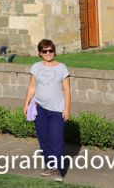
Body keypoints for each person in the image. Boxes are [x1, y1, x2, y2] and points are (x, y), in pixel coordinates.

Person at [24, 38, 71, 182]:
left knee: (56, 139)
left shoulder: (62, 67)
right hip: (39, 108)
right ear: (40, 53)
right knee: (43, 139)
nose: (48, 53)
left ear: (54, 51)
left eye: (51, 50)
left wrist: (67, 108)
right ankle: (49, 165)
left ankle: (57, 170)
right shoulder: (36, 67)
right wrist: (26, 104)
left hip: (57, 109)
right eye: (45, 51)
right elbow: (32, 87)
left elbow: (67, 90)